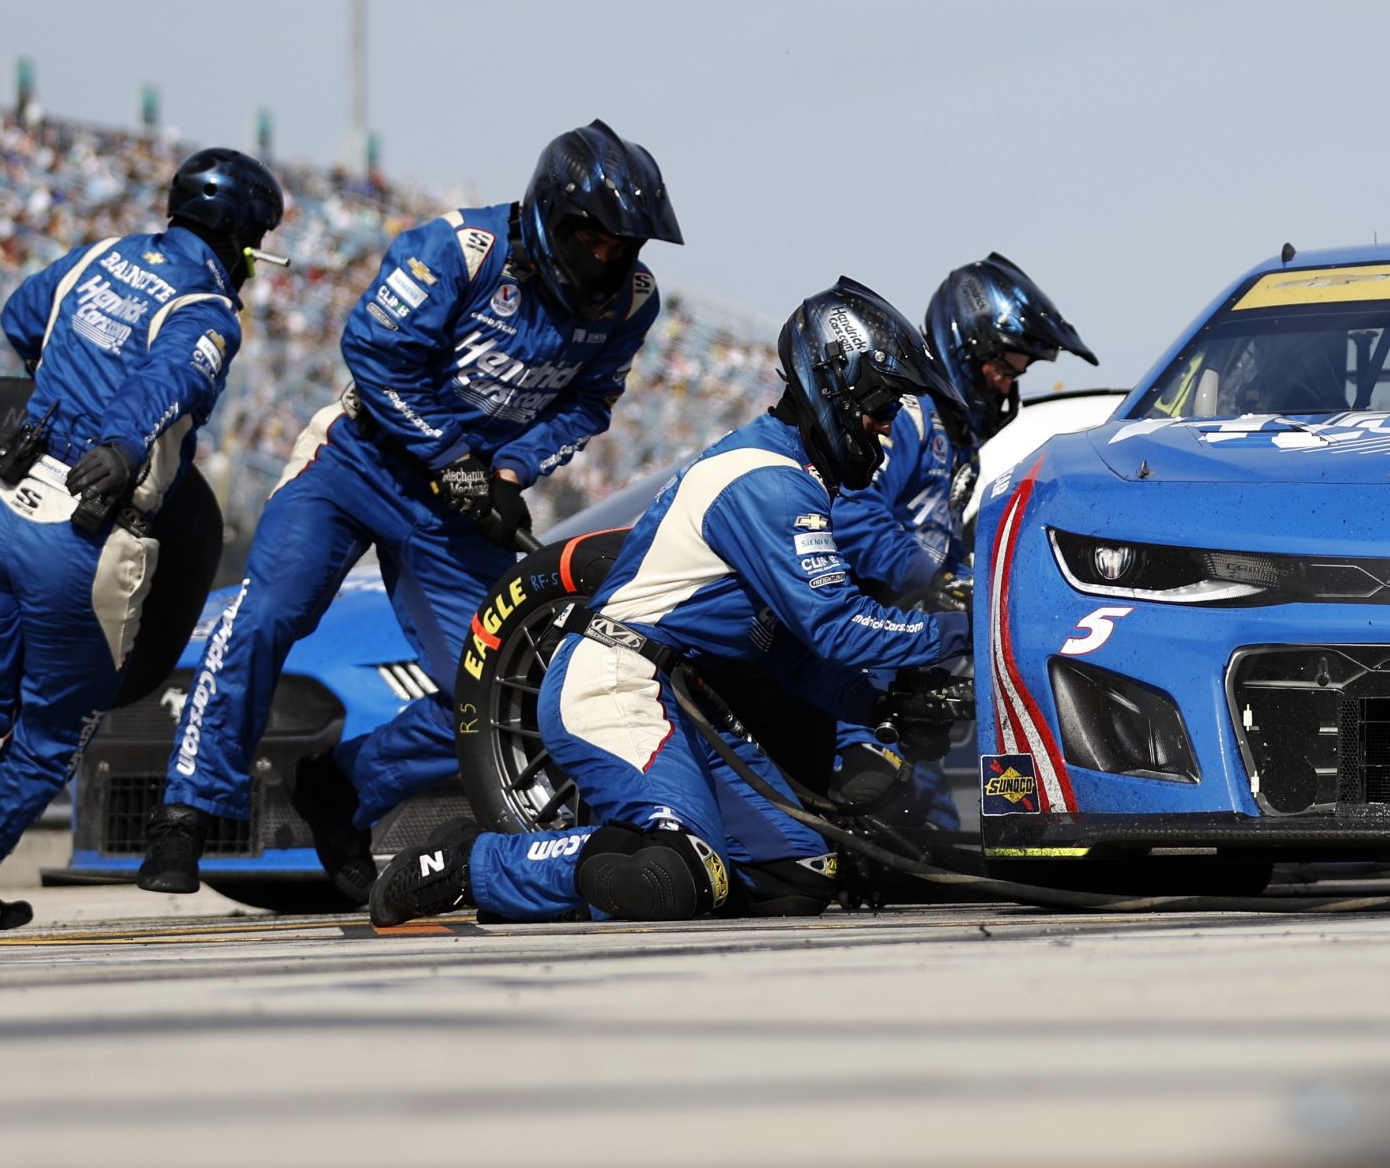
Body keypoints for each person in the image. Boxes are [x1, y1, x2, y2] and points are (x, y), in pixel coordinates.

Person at [143, 121, 675, 898]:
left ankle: (341, 789)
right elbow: (374, 352)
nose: (608, 257)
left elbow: (590, 404)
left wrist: (509, 468)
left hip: (454, 507)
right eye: (594, 238)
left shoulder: (633, 301)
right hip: (353, 462)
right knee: (266, 615)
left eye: (623, 244)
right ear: (553, 216)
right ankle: (186, 814)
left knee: (501, 686)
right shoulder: (455, 249)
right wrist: (451, 457)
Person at [366, 279, 972, 926]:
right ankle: (474, 862)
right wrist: (964, 629)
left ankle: (649, 859)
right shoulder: (763, 480)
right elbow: (837, 626)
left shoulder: (791, 478)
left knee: (794, 875)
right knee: (674, 875)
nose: (884, 430)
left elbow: (789, 657)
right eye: (880, 409)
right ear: (837, 386)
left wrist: (878, 704)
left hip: (682, 695)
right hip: (614, 682)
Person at [0, 150, 285, 931]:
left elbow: (22, 314)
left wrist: (63, 392)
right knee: (49, 738)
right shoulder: (208, 310)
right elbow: (169, 383)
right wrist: (116, 441)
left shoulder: (104, 255)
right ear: (239, 237)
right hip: (81, 537)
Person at [823, 255, 1095, 818]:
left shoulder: (953, 432)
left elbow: (938, 542)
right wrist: (940, 580)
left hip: (904, 644)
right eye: (1005, 369)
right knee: (874, 801)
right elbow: (853, 516)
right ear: (968, 347)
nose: (1007, 385)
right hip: (857, 643)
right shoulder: (908, 412)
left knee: (937, 829)